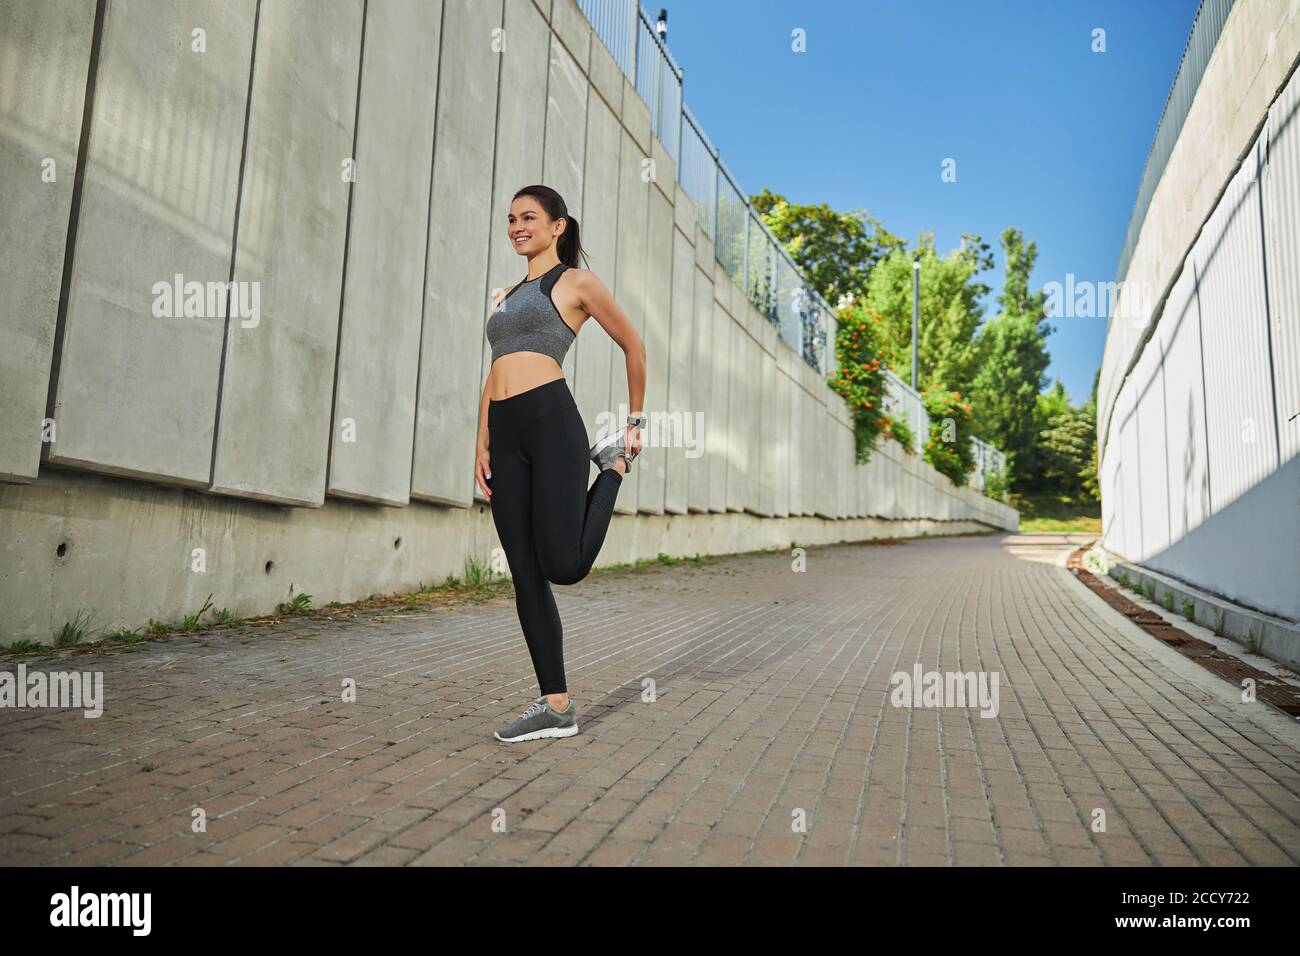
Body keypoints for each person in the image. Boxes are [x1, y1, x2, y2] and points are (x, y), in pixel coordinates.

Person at [476, 185, 647, 743]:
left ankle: (613, 468)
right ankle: (556, 705)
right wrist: (481, 439)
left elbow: (634, 345)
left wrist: (635, 422)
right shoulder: (505, 294)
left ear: (558, 226)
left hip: (550, 423)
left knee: (564, 565)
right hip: (504, 431)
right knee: (524, 572)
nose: (517, 226)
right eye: (510, 219)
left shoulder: (576, 284)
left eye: (528, 217)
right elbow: (495, 365)